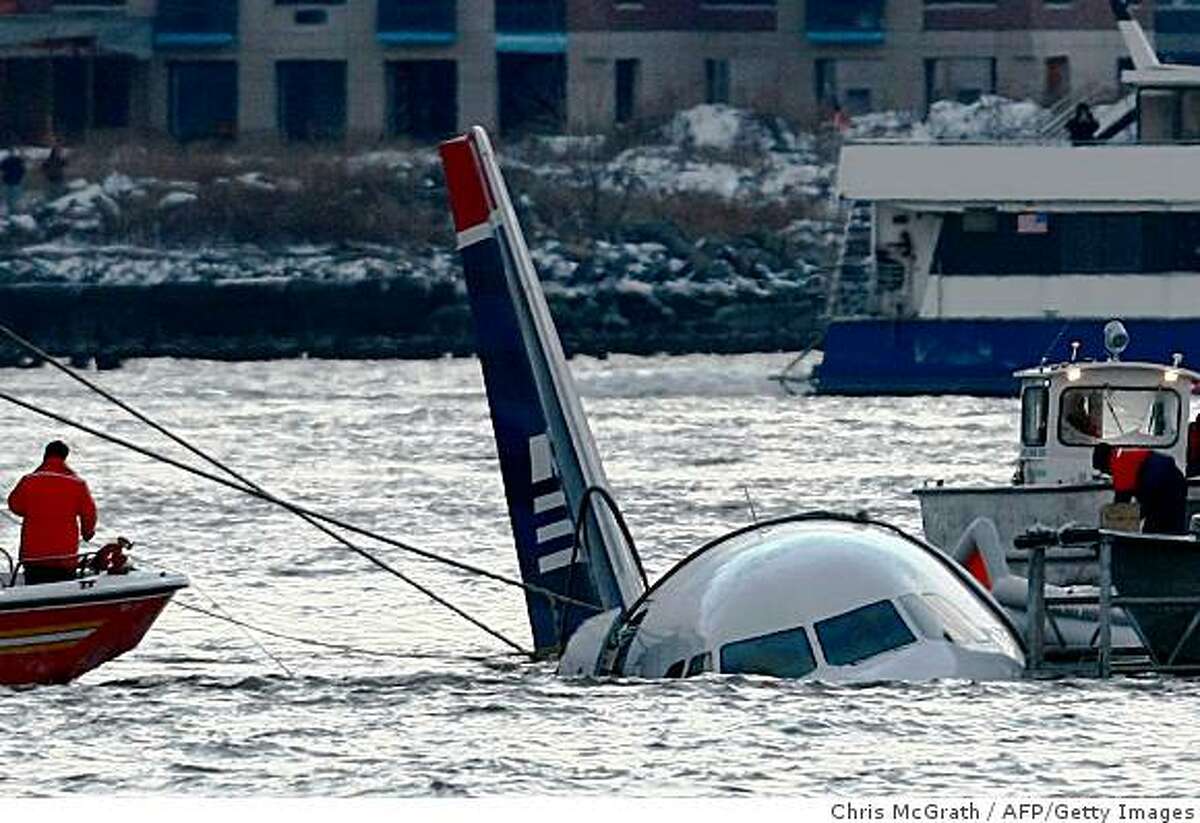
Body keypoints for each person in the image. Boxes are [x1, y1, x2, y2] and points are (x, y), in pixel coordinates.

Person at [7, 441, 97, 585]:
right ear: (65, 457)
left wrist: (34, 511)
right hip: (64, 557)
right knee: (63, 589)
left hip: (32, 556)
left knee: (34, 590)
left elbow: (14, 505)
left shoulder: (29, 480)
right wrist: (87, 533)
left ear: (45, 455)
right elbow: (89, 514)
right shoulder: (78, 484)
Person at [1092, 442, 1187, 534]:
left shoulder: (1119, 465)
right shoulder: (1124, 456)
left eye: (1103, 470)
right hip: (1175, 481)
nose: (1108, 474)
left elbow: (1121, 504)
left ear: (1104, 464)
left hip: (1165, 488)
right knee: (1173, 528)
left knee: (1154, 531)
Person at [1, 145, 26, 215]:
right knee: (10, 200)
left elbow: (23, 170)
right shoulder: (6, 161)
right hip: (9, 183)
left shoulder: (17, 160)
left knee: (15, 200)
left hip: (15, 183)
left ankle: (15, 213)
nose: (11, 153)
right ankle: (12, 213)